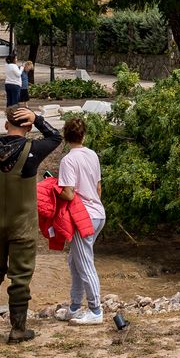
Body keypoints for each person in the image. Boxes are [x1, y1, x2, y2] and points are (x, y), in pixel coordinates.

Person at [0, 105, 62, 343]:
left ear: (5, 125)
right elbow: (55, 137)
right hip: (22, 225)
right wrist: (38, 118)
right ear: (28, 127)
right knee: (20, 276)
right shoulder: (33, 149)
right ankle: (17, 329)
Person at [56, 117, 107, 325]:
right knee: (75, 260)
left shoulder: (68, 160)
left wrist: (54, 190)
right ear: (84, 135)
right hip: (98, 214)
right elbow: (98, 188)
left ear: (65, 137)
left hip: (82, 217)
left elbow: (68, 194)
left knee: (84, 262)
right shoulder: (92, 155)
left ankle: (95, 310)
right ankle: (75, 306)